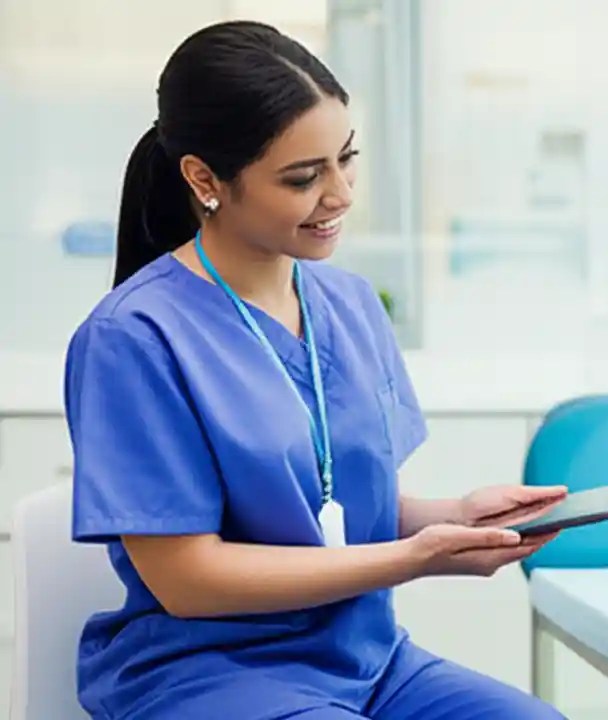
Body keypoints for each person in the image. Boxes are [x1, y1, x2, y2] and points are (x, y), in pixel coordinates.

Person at [65, 21, 567, 720]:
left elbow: (335, 502)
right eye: (303, 177)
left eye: (346, 159)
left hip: (366, 661)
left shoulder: (351, 304)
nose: (340, 194)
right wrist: (416, 559)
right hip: (206, 673)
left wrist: (455, 519)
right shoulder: (134, 338)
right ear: (205, 179)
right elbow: (187, 580)